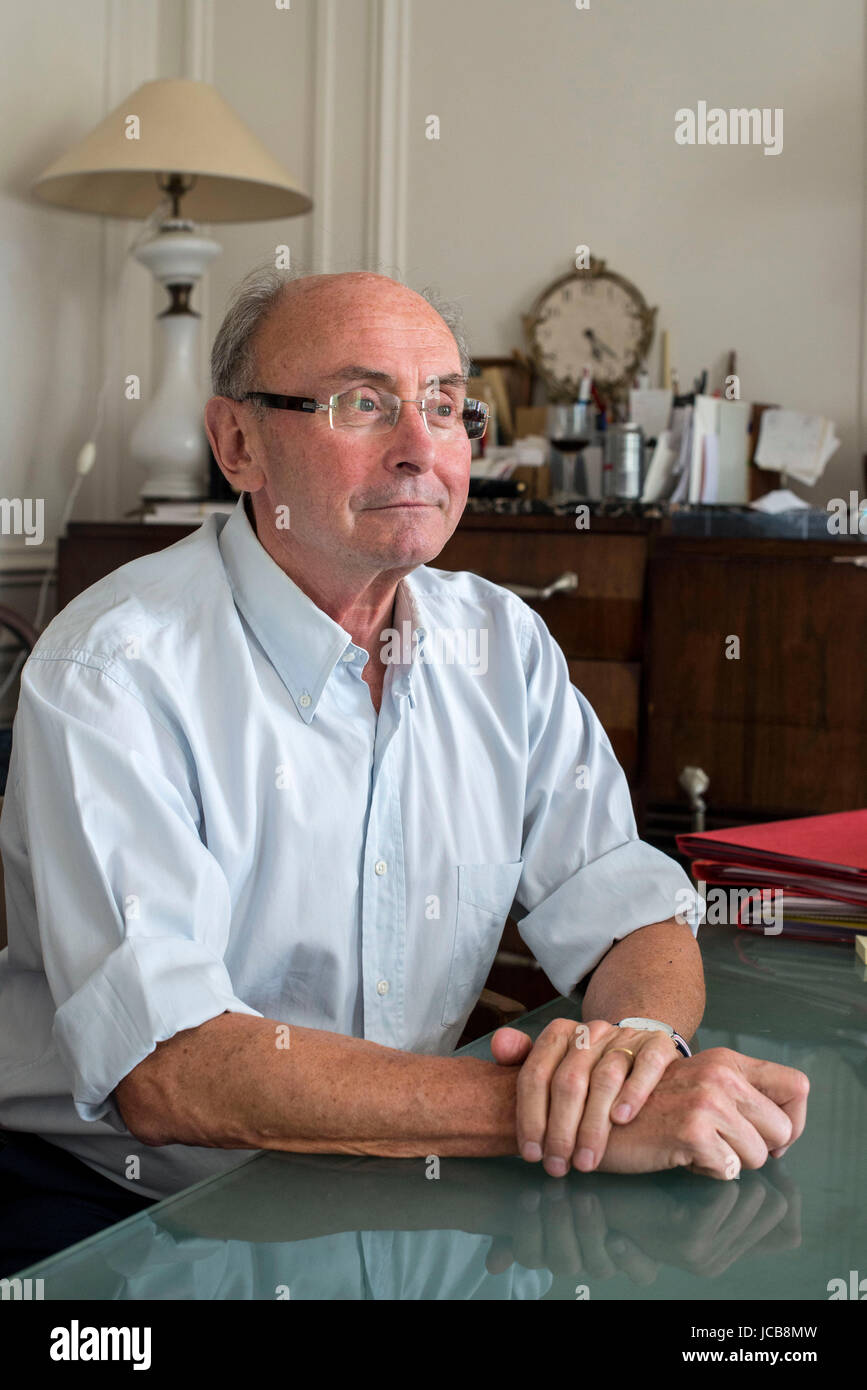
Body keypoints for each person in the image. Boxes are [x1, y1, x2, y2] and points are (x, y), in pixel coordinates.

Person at [0, 267, 808, 1271]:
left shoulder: (502, 642)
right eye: (363, 402)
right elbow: (172, 1067)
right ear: (238, 443)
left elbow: (628, 906)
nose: (422, 447)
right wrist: (538, 1106)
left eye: (444, 406)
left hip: (410, 1181)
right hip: (131, 1210)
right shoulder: (114, 667)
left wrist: (628, 1061)